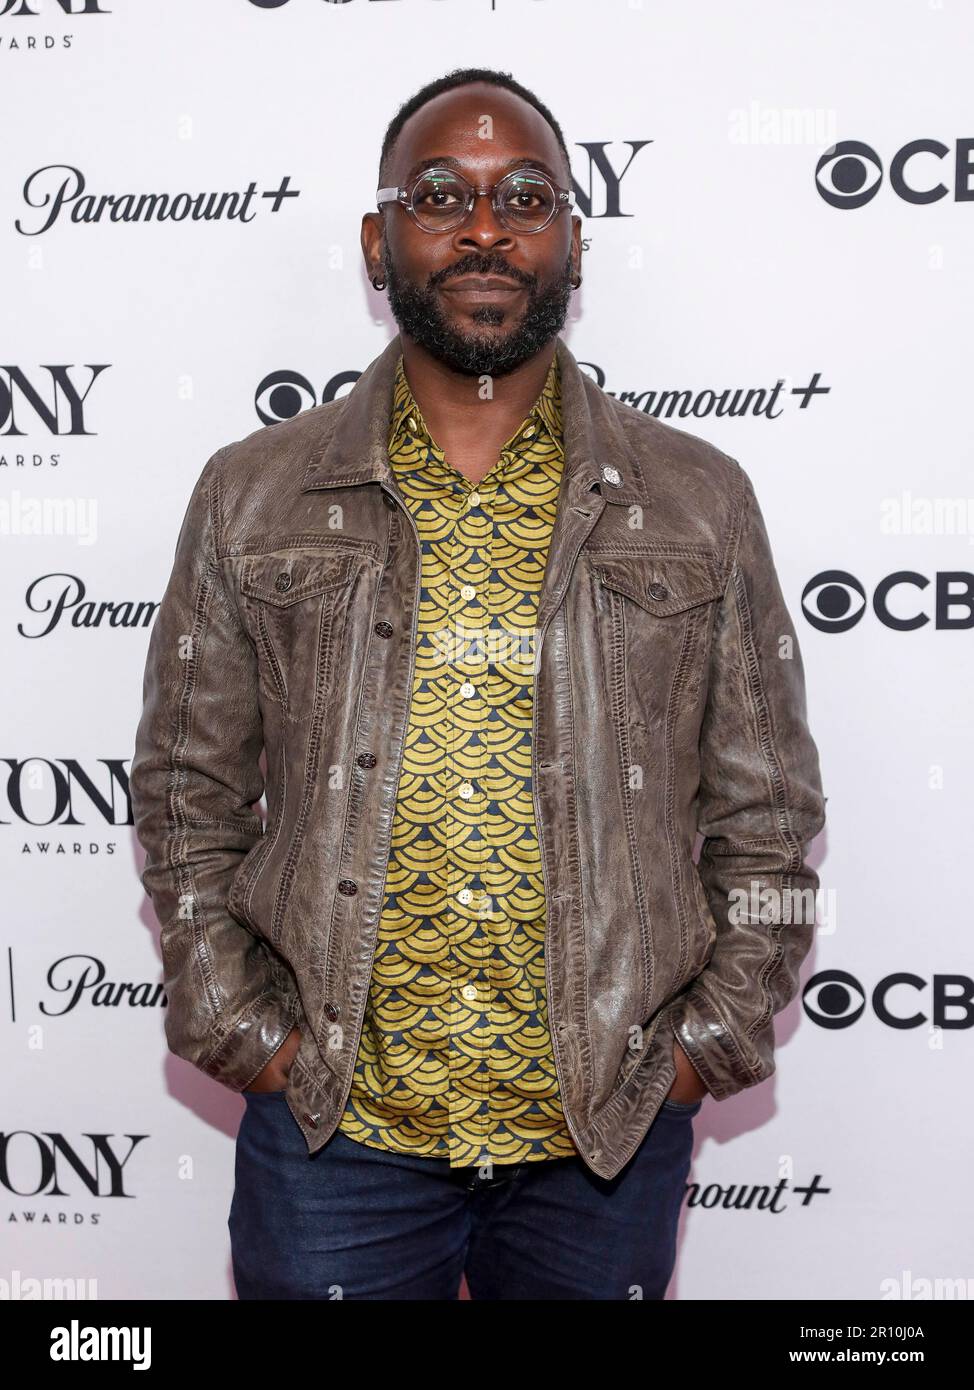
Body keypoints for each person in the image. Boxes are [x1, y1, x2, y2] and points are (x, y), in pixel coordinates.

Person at [130, 66, 827, 1300]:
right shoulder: (252, 493)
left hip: (601, 1141)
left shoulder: (695, 497)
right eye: (441, 193)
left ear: (572, 239)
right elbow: (185, 791)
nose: (486, 227)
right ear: (377, 237)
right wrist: (248, 1035)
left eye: (527, 197)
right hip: (334, 1130)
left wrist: (700, 1050)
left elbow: (766, 817)